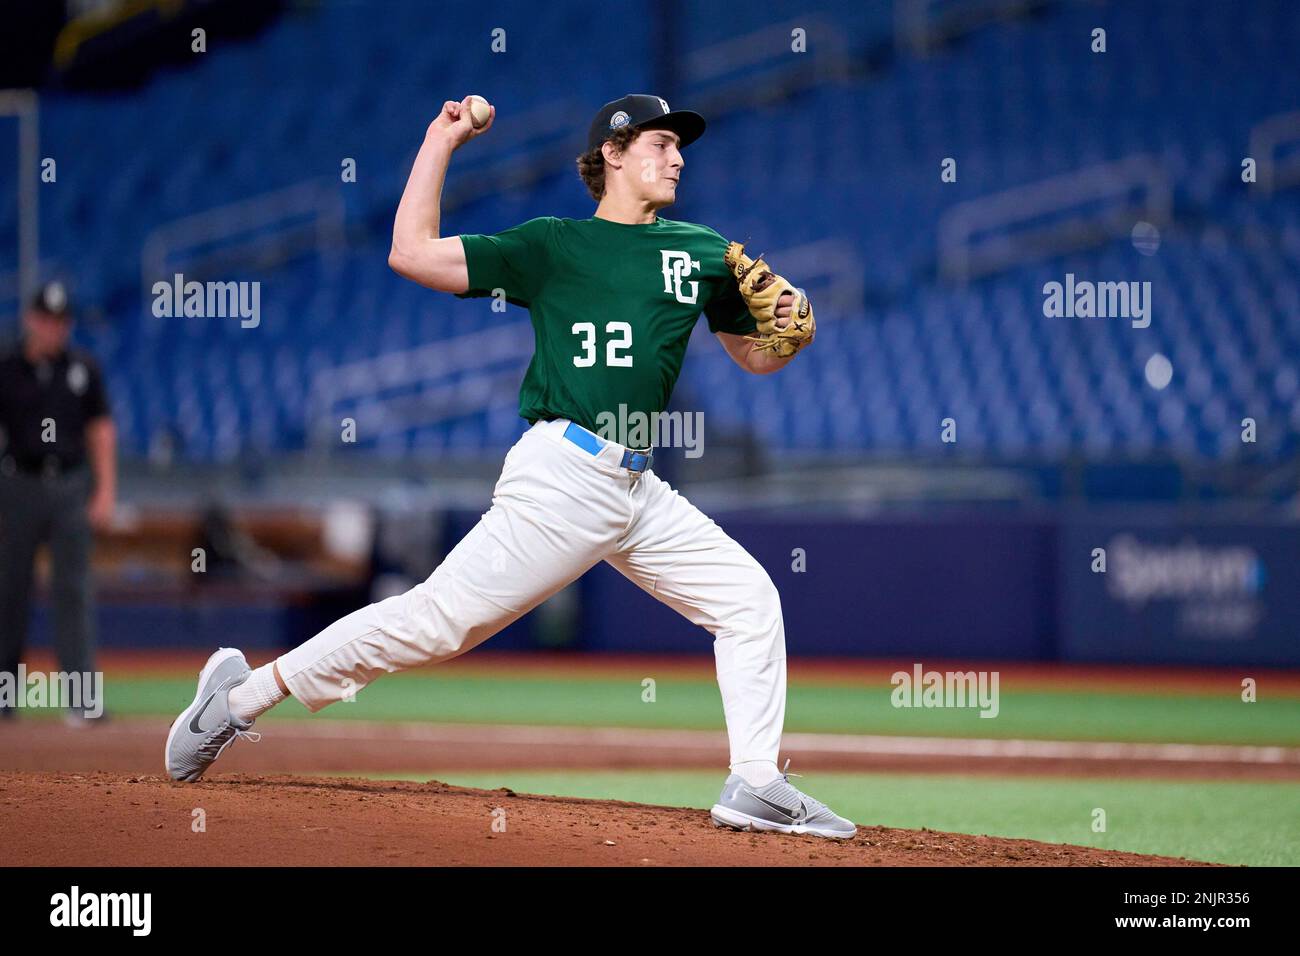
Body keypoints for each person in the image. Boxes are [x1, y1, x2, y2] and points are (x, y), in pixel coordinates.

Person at [165, 94, 852, 839]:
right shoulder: (551, 245)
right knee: (437, 624)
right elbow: (410, 252)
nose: (677, 156)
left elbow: (751, 357)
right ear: (612, 156)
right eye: (659, 143)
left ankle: (755, 781)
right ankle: (239, 698)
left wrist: (785, 340)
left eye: (679, 146)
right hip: (565, 475)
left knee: (749, 600)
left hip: (637, 487)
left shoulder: (701, 251)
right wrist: (441, 140)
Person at [0, 281, 116, 723]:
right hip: (18, 486)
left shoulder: (82, 368)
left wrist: (105, 491)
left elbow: (100, 431)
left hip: (69, 486)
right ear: (31, 319)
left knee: (74, 591)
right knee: (10, 590)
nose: (54, 329)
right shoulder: (7, 367)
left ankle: (82, 701)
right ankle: (3, 696)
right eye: (47, 320)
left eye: (61, 321)